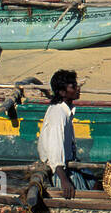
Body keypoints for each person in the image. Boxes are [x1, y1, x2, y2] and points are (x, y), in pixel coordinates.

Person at [38, 69, 88, 198]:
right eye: (73, 87)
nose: (78, 89)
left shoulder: (64, 110)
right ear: (62, 92)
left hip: (68, 164)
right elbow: (55, 149)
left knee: (94, 183)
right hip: (59, 171)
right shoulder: (58, 114)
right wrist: (65, 181)